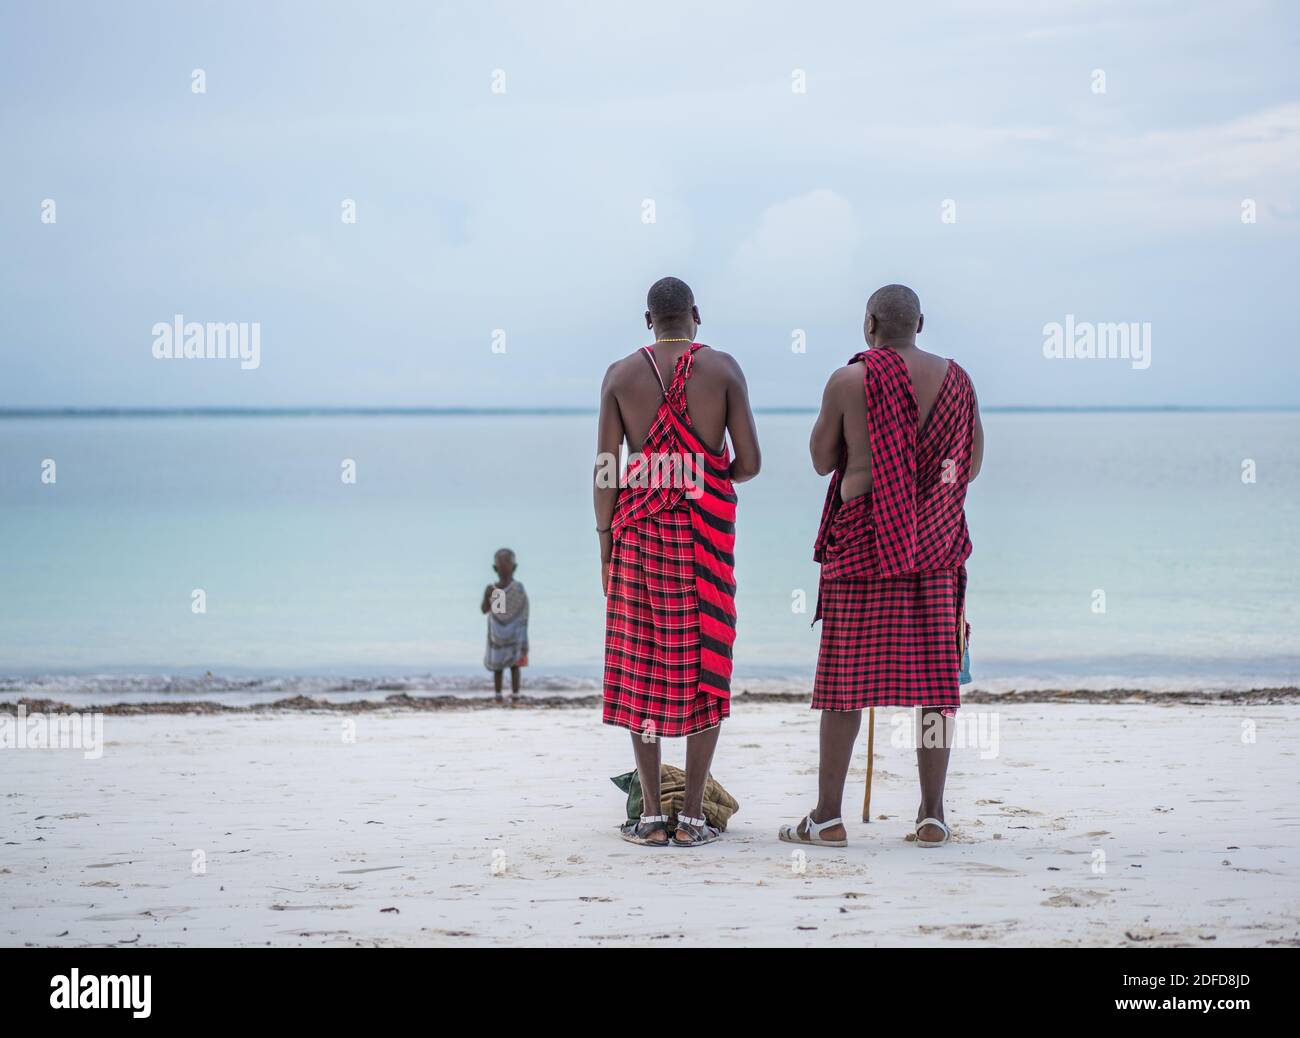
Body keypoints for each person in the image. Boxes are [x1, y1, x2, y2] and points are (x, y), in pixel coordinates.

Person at [779, 284, 983, 850]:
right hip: (936, 546)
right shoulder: (960, 381)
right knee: (937, 687)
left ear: (869, 324)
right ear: (921, 321)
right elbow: (971, 465)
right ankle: (933, 815)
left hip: (863, 547)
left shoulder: (849, 381)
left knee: (844, 686)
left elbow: (822, 460)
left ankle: (827, 818)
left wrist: (873, 460)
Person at [594, 276, 761, 847]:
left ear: (648, 320)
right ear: (696, 314)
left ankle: (647, 820)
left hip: (636, 537)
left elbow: (605, 470)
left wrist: (604, 544)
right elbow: (751, 461)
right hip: (701, 539)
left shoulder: (619, 375)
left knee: (641, 665)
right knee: (704, 661)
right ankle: (691, 816)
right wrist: (709, 473)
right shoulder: (723, 369)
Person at [480, 548, 528, 704]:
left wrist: (519, 632)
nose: (505, 567)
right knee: (498, 667)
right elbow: (487, 610)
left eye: (508, 563)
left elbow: (522, 613)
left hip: (515, 634)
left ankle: (515, 694)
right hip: (497, 635)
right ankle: (498, 694)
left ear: (514, 567)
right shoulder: (493, 590)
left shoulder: (518, 588)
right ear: (495, 568)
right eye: (501, 564)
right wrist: (488, 596)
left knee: (515, 666)